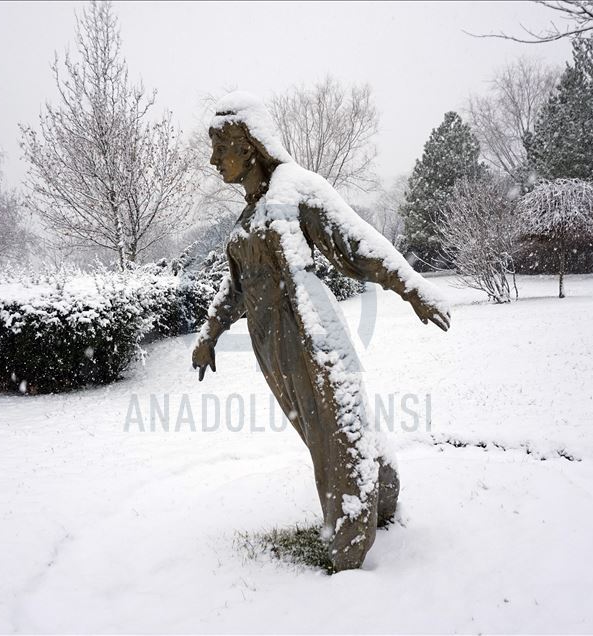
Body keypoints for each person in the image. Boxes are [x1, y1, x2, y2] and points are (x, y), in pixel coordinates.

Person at [192, 92, 450, 571]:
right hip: (273, 351)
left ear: (248, 147)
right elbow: (235, 288)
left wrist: (412, 288)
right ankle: (383, 493)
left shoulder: (295, 190)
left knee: (340, 434)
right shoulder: (247, 219)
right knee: (321, 436)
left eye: (220, 149)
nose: (213, 161)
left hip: (314, 340)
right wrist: (209, 335)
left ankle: (349, 541)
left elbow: (356, 242)